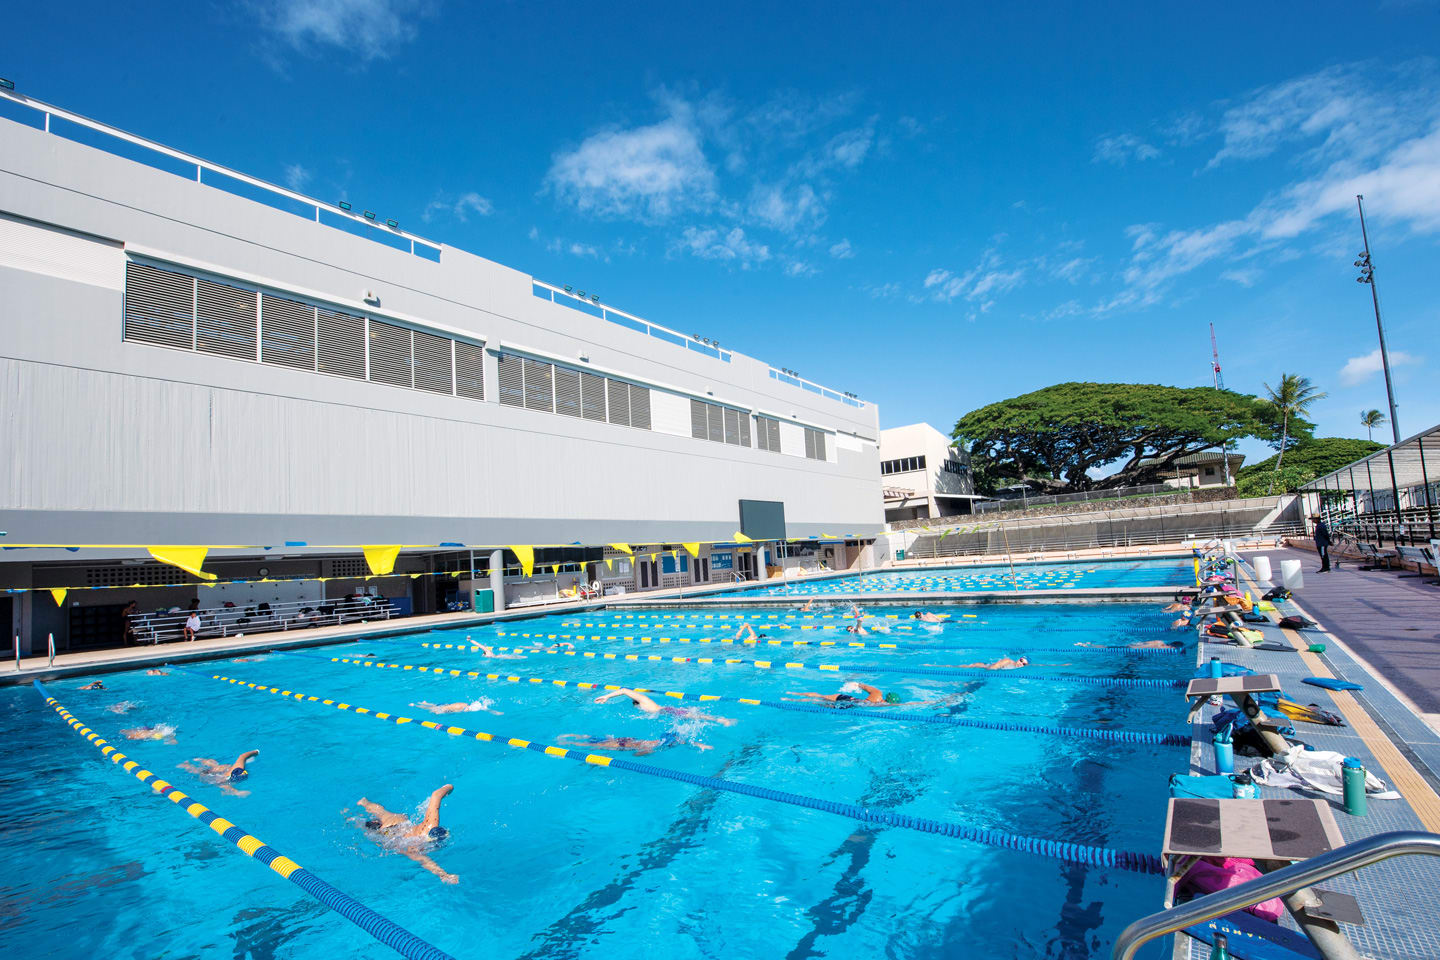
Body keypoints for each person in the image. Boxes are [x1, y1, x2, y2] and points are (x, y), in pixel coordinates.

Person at [356, 784, 457, 884]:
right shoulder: (415, 843)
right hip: (391, 830)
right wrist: (443, 875)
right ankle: (360, 810)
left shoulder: (426, 828)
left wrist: (449, 788)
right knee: (380, 825)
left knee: (382, 815)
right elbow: (424, 861)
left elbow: (436, 795)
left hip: (397, 824)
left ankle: (364, 803)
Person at [593, 688, 736, 725]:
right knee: (692, 717)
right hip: (666, 712)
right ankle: (719, 719)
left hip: (667, 711)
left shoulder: (642, 700)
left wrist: (607, 696)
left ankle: (721, 719)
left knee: (695, 716)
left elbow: (624, 690)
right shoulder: (643, 705)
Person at [179, 749, 258, 797]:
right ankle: (187, 765)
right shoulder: (226, 776)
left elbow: (243, 756)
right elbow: (242, 756)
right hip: (215, 776)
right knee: (203, 772)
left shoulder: (235, 769)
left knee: (207, 770)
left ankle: (189, 764)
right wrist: (236, 792)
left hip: (225, 774)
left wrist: (255, 752)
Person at [556, 733, 712, 755]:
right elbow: (637, 754)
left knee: (596, 740)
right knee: (592, 746)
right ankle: (568, 740)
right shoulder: (652, 748)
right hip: (621, 745)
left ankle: (574, 736)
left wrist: (699, 745)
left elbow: (681, 740)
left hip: (627, 740)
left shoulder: (660, 742)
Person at [786, 682, 908, 707]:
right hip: (847, 705)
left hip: (846, 697)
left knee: (819, 695)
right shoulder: (881, 705)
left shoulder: (877, 693)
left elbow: (862, 685)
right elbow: (908, 704)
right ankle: (791, 700)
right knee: (816, 703)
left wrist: (855, 684)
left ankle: (793, 693)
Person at [411, 699, 503, 715]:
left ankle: (425, 702)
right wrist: (439, 712)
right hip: (445, 708)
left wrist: (495, 712)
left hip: (446, 706)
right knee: (432, 709)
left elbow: (484, 708)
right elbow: (445, 709)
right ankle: (415, 705)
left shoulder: (465, 705)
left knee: (435, 706)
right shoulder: (460, 707)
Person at [934, 656, 1029, 670]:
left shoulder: (1016, 667)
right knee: (963, 667)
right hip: (984, 666)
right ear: (1018, 659)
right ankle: (937, 665)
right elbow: (993, 668)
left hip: (989, 668)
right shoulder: (1008, 661)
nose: (1021, 663)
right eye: (1021, 660)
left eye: (1024, 664)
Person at [1076, 639, 1185, 650]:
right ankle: (1086, 645)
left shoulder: (1158, 642)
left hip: (1131, 647)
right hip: (1130, 648)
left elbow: (1143, 643)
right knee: (1107, 648)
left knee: (1108, 647)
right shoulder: (1160, 645)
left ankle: (1088, 644)